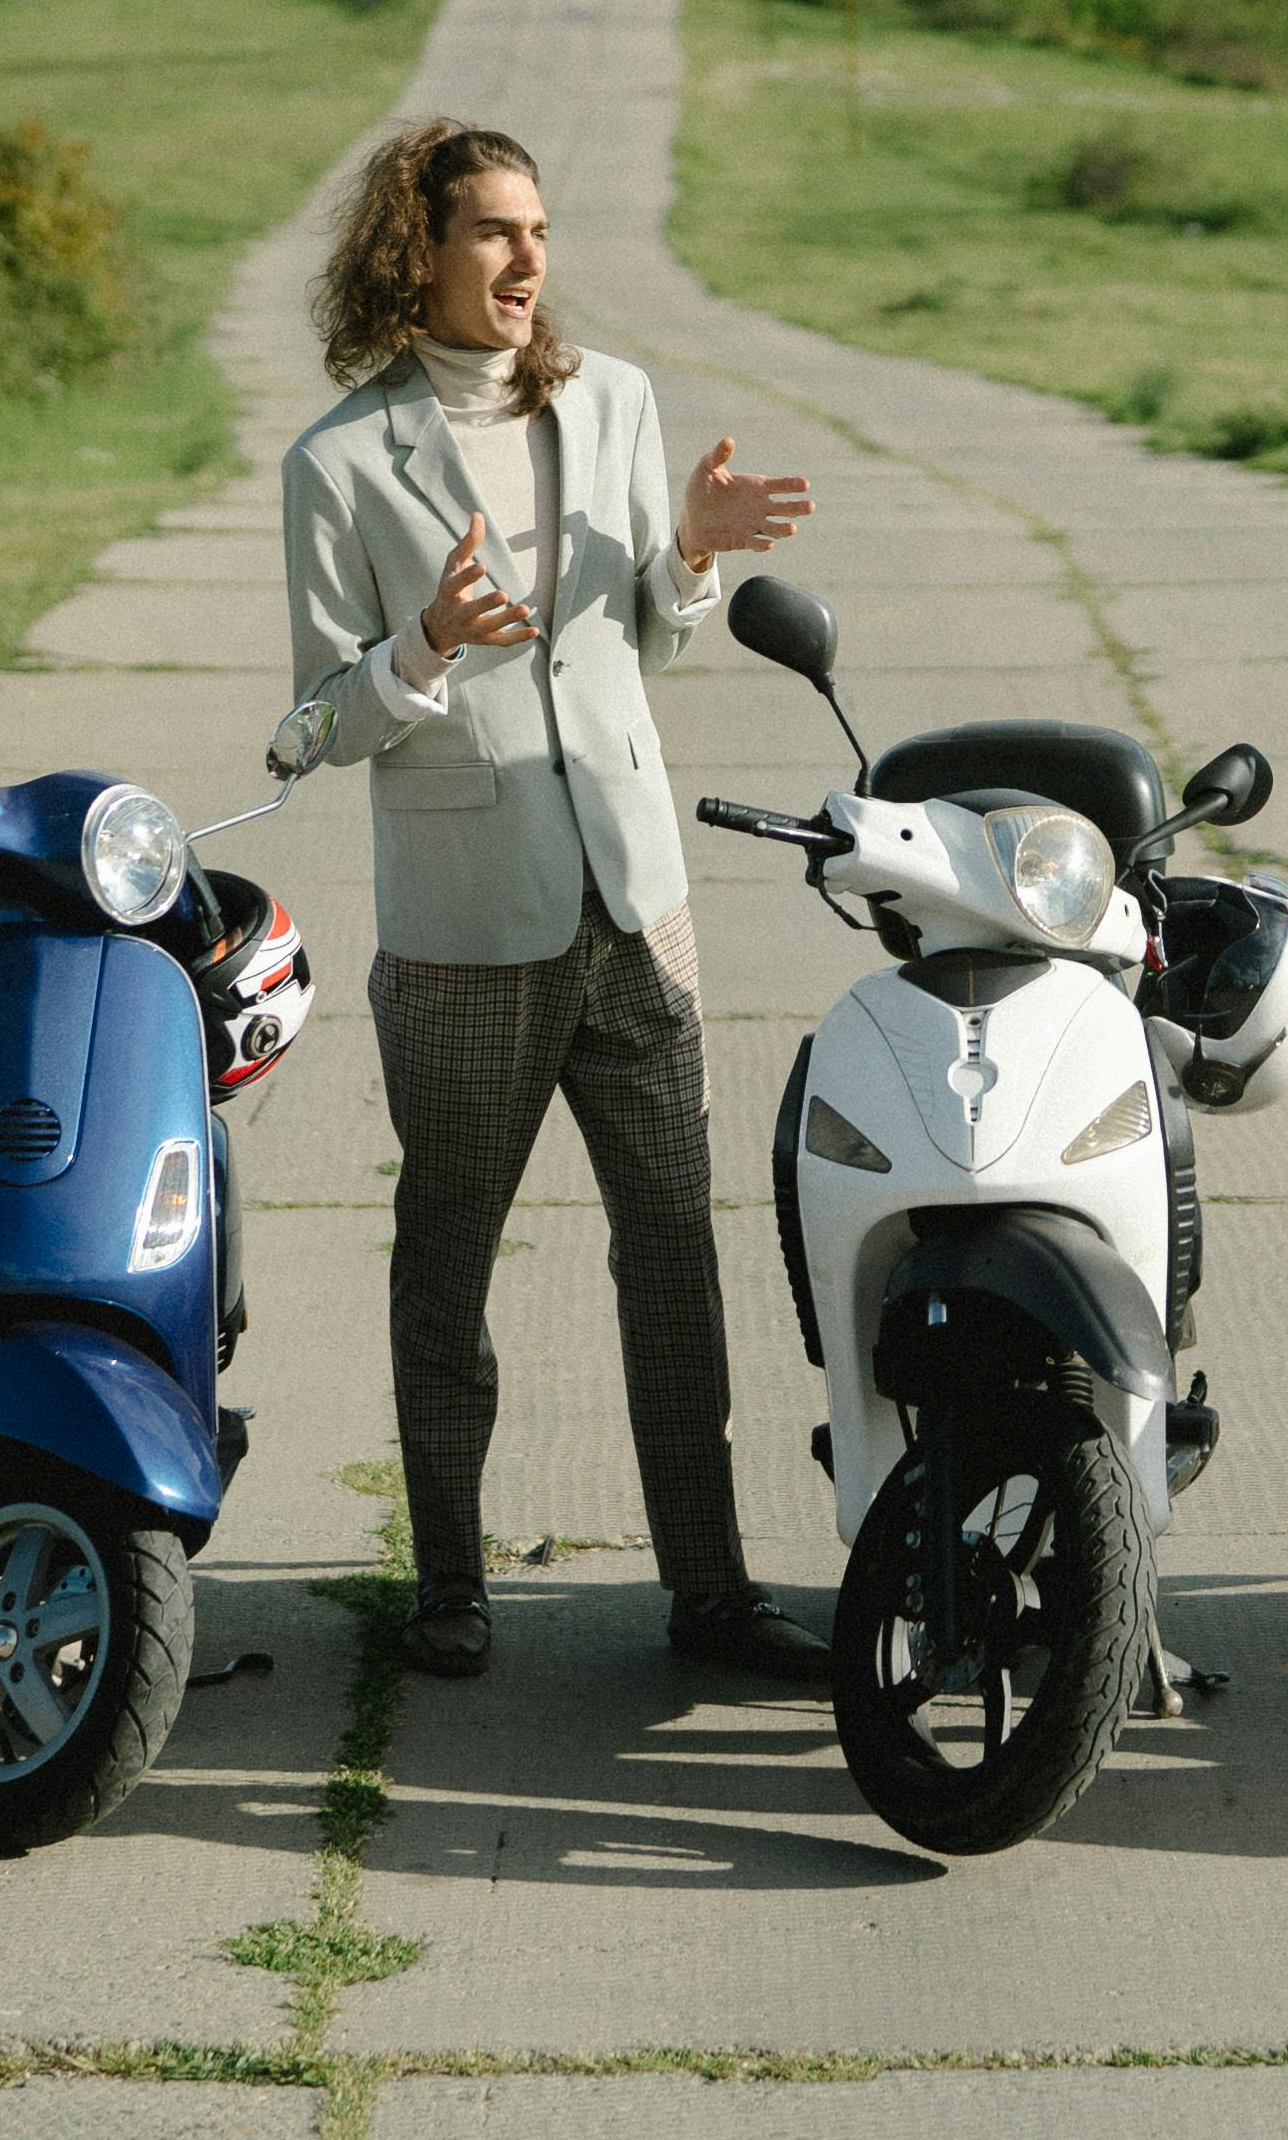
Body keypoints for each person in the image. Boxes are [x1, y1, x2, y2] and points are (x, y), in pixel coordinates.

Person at [282, 117, 828, 1689]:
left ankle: (711, 1595)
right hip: (465, 930)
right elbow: (319, 720)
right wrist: (423, 649)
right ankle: (448, 1580)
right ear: (419, 253)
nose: (530, 262)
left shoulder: (618, 403)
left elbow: (642, 640)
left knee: (675, 1251)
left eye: (539, 232)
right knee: (447, 1256)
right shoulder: (339, 462)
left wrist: (692, 562)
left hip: (636, 904)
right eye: (496, 235)